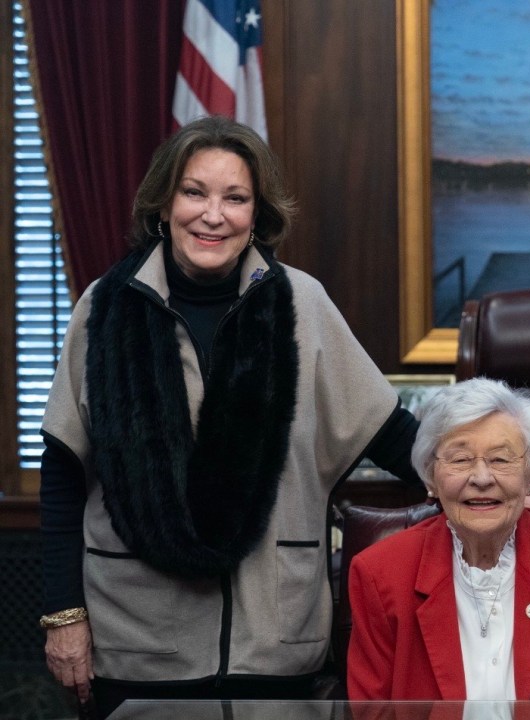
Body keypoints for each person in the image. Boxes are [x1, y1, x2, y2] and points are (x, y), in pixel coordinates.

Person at [38, 115, 422, 718]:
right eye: (194, 192)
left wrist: (502, 487)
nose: (212, 215)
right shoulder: (102, 307)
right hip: (137, 649)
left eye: (235, 198)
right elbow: (62, 475)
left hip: (274, 647)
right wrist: (63, 618)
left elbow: (396, 437)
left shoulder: (303, 304)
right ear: (163, 204)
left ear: (257, 213)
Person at [346, 378, 530, 700]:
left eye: (501, 459)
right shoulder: (380, 571)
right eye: (460, 460)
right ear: (431, 477)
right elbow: (370, 710)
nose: (482, 478)